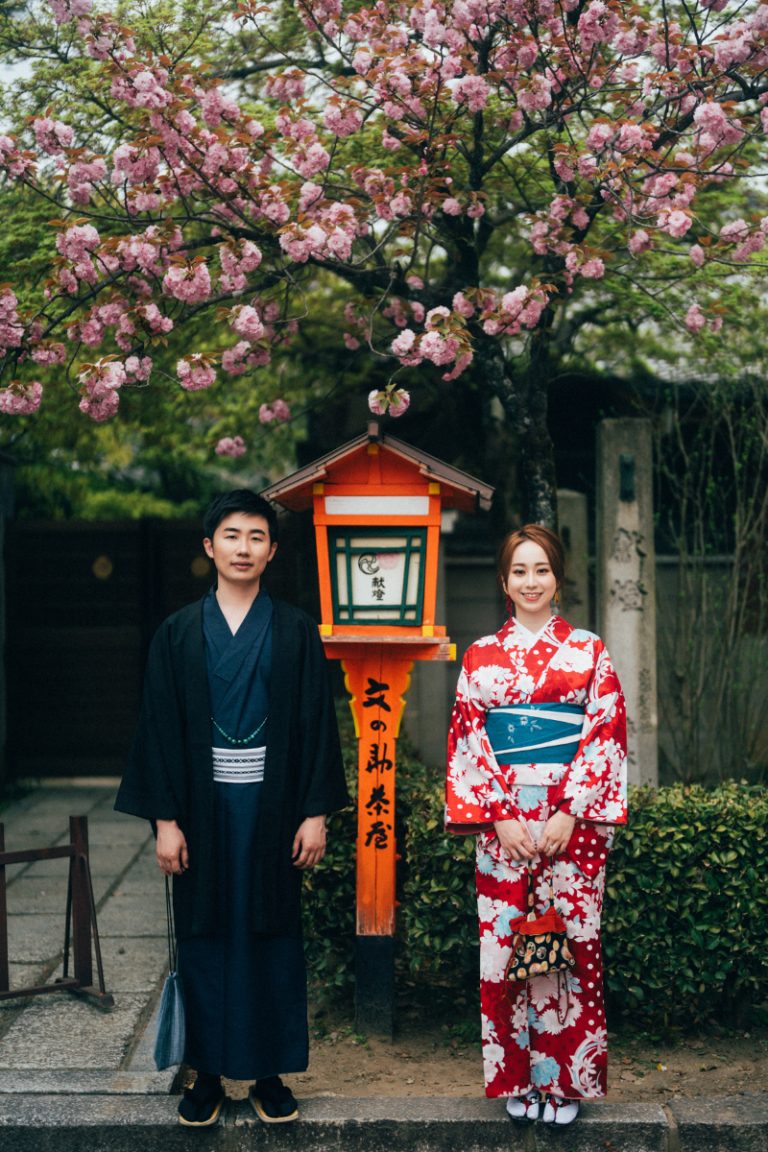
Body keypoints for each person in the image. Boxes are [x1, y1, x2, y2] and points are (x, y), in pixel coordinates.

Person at [115, 489, 348, 1127]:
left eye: (255, 537)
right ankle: (208, 1074)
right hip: (202, 810)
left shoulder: (296, 629)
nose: (243, 548)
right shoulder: (178, 633)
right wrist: (166, 821)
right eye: (231, 535)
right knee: (205, 935)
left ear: (272, 551)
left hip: (272, 810)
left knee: (273, 934)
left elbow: (314, 726)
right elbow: (158, 727)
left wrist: (315, 812)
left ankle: (269, 1072)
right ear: (208, 546)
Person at [446, 524, 627, 1127]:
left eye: (541, 570)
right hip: (505, 829)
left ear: (558, 578)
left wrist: (570, 810)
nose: (531, 581)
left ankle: (567, 1081)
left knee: (572, 945)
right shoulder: (479, 657)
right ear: (504, 581)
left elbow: (605, 734)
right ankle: (518, 1081)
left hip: (569, 824)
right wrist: (498, 816)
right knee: (506, 949)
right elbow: (468, 740)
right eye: (519, 571)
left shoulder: (589, 652)